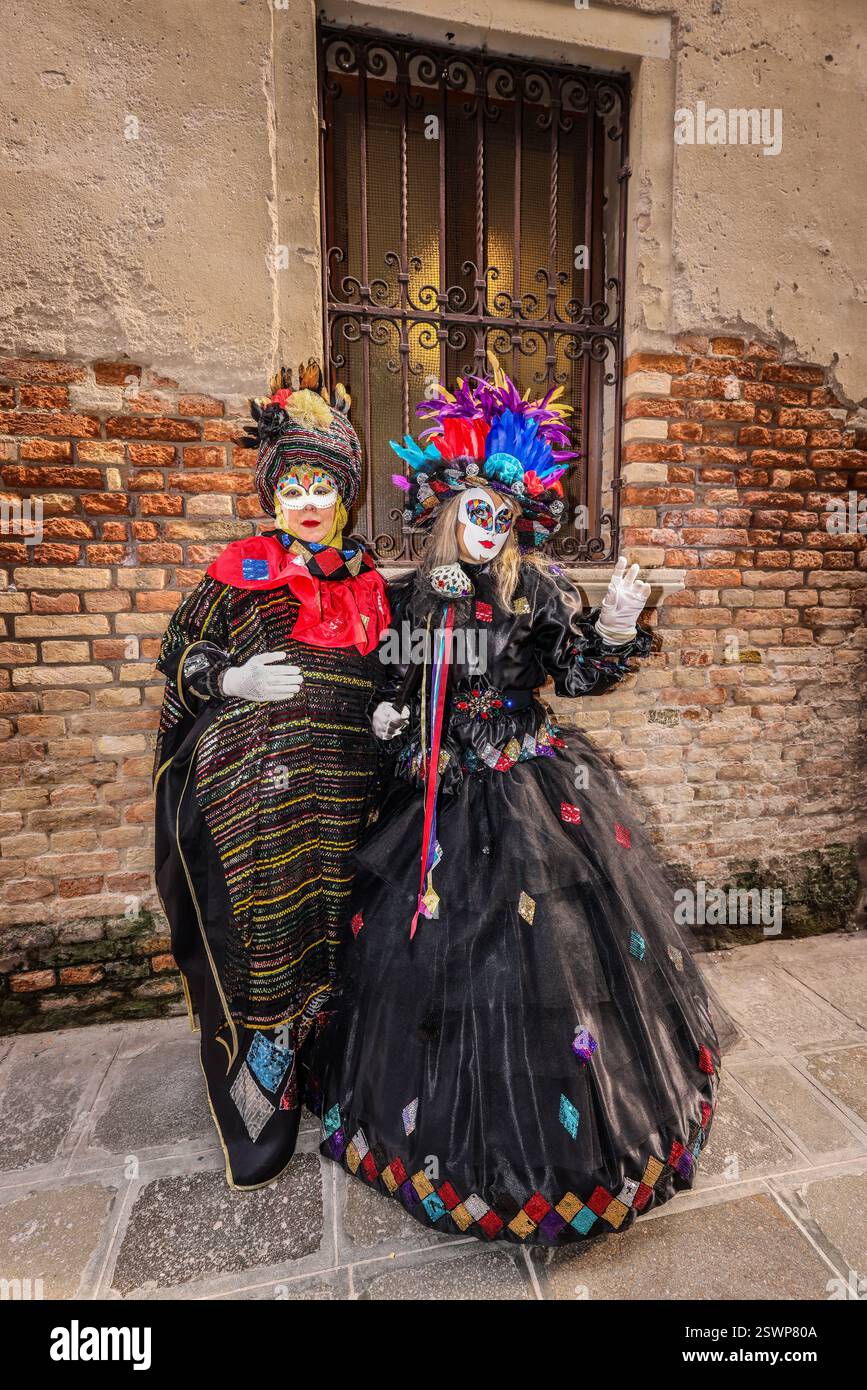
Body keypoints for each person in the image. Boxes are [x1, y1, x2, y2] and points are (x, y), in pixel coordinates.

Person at [311, 364, 735, 1243]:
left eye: (501, 517)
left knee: (553, 961)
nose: (486, 527)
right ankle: (435, 1143)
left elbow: (573, 674)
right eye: (475, 511)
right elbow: (384, 689)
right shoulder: (409, 594)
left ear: (516, 523)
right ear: (448, 511)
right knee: (440, 958)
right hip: (436, 794)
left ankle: (570, 1151)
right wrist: (392, 718)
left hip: (527, 784)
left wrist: (615, 627)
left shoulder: (533, 591)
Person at [153, 368, 390, 1188]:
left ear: (347, 495)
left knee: (336, 938)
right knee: (267, 940)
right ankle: (262, 1121)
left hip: (347, 802)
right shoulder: (239, 571)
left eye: (323, 484)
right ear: (274, 497)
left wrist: (385, 716)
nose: (308, 499)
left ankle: (332, 1083)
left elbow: (386, 679)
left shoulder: (367, 583)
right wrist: (231, 681)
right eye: (292, 485)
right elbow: (174, 654)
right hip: (258, 803)